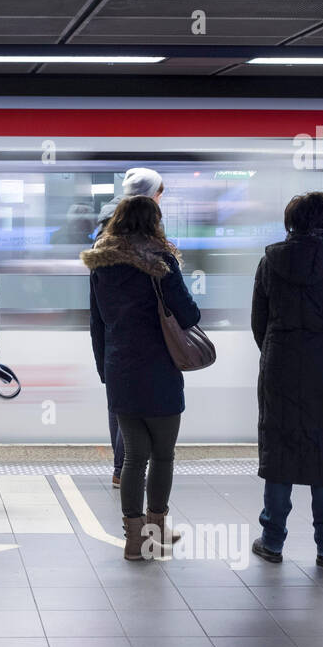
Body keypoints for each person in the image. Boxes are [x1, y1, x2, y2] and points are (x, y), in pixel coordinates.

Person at [251, 192, 323, 568]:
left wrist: (274, 353)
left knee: (279, 450)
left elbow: (259, 321)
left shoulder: (270, 261)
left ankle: (271, 542)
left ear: (291, 223)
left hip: (280, 369)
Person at [82, 195, 199, 560]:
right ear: (155, 223)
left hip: (121, 369)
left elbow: (97, 323)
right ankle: (157, 528)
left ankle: (135, 541)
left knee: (133, 457)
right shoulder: (162, 262)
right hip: (161, 368)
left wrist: (106, 369)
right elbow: (189, 313)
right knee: (163, 455)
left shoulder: (101, 264)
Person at [93, 167, 166, 488]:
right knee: (143, 408)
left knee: (118, 401)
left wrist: (100, 353)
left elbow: (97, 307)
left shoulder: (102, 237)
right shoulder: (153, 240)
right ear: (151, 197)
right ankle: (129, 468)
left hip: (114, 336)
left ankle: (122, 468)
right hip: (146, 340)